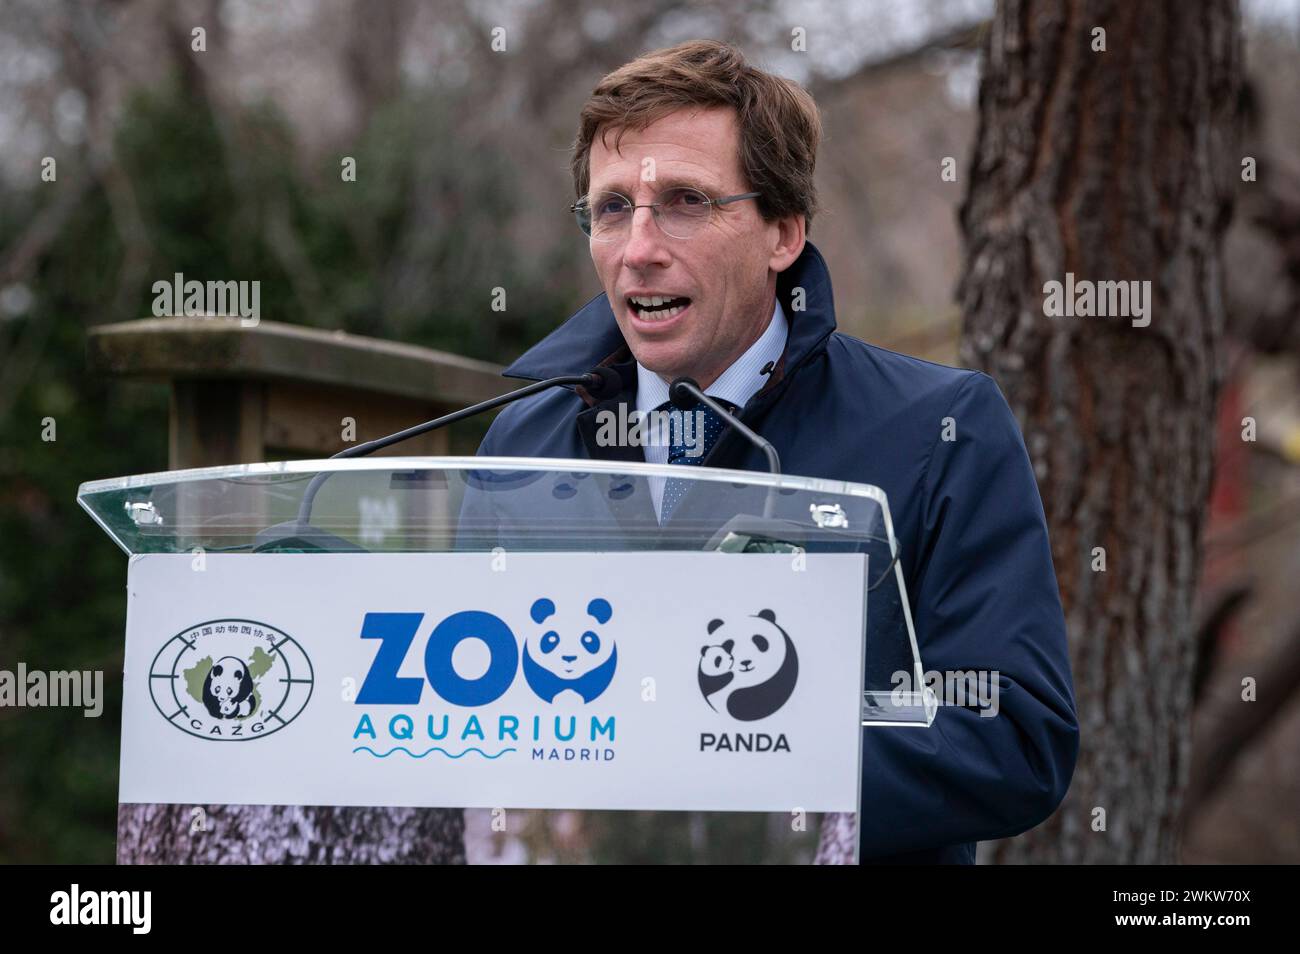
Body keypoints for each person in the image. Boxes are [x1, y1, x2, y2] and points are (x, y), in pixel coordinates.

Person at [472, 39, 1079, 863]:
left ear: (782, 232)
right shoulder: (524, 436)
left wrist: (723, 772)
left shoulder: (942, 429)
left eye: (685, 201)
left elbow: (1012, 740)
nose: (639, 248)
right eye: (612, 208)